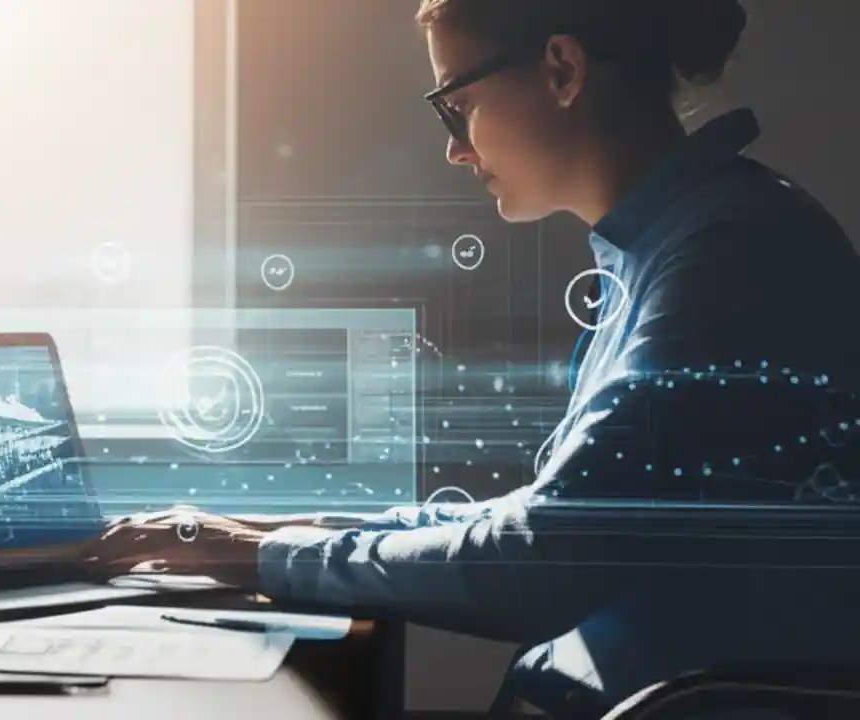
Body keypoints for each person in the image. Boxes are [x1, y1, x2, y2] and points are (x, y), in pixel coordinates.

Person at [87, 0, 860, 714]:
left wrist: (272, 558)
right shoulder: (684, 242)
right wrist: (270, 533)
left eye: (455, 106)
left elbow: (543, 560)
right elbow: (555, 521)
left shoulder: (727, 257)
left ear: (562, 69)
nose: (455, 150)